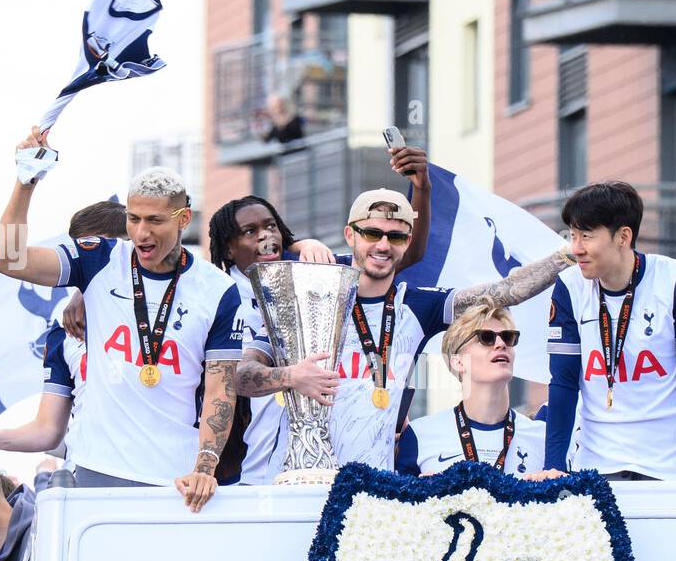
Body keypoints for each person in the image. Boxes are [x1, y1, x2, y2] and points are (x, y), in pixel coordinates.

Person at [0, 126, 244, 511]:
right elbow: (7, 260)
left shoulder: (218, 289)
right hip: (96, 469)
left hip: (174, 478)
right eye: (134, 218)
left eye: (155, 221)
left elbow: (220, 390)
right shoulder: (98, 258)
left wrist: (205, 467)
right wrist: (26, 182)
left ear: (183, 218)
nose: (141, 232)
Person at [239, 187, 575, 471]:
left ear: (407, 241)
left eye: (396, 236)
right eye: (372, 233)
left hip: (372, 489)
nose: (383, 245)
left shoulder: (419, 306)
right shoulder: (308, 294)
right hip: (297, 479)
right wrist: (290, 377)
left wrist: (567, 255)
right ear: (349, 235)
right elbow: (240, 377)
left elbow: (506, 292)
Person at [214, 146, 432, 482]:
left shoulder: (311, 279)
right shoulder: (218, 295)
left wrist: (422, 190)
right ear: (228, 247)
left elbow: (399, 254)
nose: (265, 236)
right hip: (248, 462)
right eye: (250, 231)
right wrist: (290, 376)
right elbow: (231, 378)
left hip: (313, 459)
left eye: (272, 226)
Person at [540, 182, 676, 501]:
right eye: (572, 235)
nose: (576, 248)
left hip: (669, 465)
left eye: (586, 236)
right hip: (596, 465)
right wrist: (553, 465)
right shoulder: (569, 287)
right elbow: (563, 382)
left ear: (623, 236)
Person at [0, 200, 125, 466]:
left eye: (100, 250)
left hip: (160, 476)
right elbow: (47, 429)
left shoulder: (176, 309)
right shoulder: (65, 335)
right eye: (81, 252)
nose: (90, 263)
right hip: (89, 475)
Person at [397, 303, 545, 476]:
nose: (500, 344)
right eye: (486, 338)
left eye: (508, 337)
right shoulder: (419, 435)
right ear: (458, 361)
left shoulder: (543, 437)